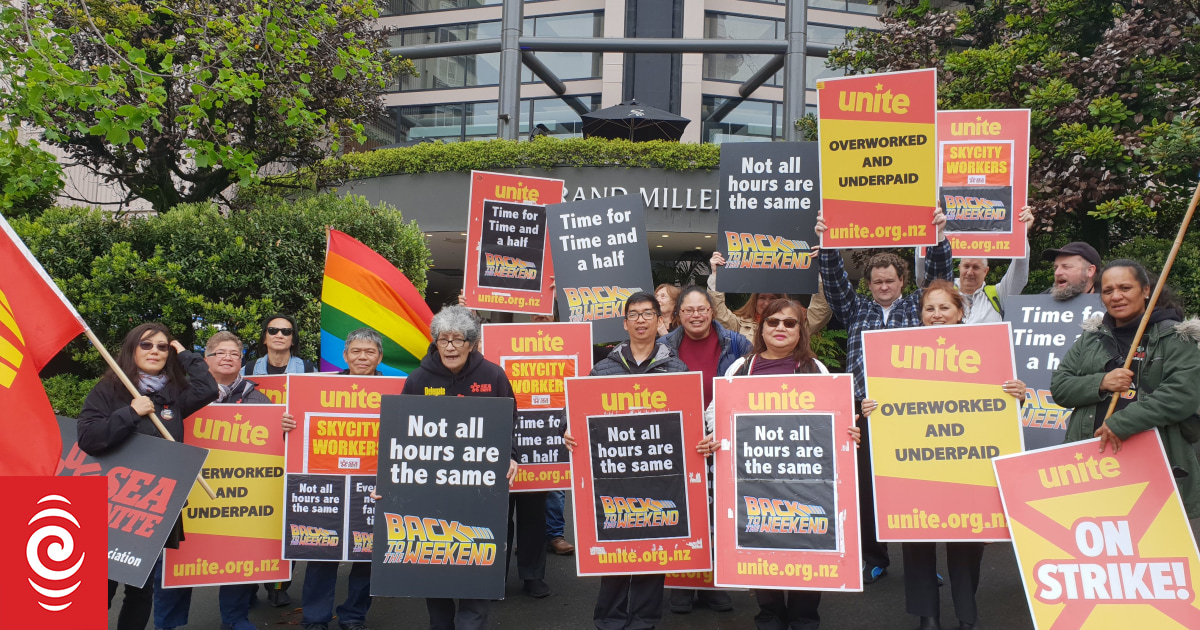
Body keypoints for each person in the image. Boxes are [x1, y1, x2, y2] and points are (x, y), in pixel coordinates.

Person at [860, 281, 1025, 630]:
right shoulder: (896, 352)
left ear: (960, 311)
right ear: (920, 314)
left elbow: (999, 410)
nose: (936, 315)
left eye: (944, 308)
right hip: (916, 466)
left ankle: (967, 616)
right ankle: (928, 617)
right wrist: (871, 406)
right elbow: (892, 407)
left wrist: (1017, 394)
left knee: (967, 545)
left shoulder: (987, 349)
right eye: (929, 309)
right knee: (916, 544)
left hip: (968, 468)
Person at [701, 298, 860, 630]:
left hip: (806, 481)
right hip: (753, 479)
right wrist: (715, 436)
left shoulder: (815, 370)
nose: (781, 329)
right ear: (762, 327)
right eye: (773, 322)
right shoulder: (741, 368)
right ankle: (769, 613)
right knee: (762, 546)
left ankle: (804, 616)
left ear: (801, 330)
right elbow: (716, 413)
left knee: (808, 547)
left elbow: (832, 420)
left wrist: (848, 435)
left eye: (790, 323)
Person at [815, 205, 951, 585]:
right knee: (867, 489)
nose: (883, 287)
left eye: (889, 281)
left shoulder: (918, 308)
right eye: (877, 282)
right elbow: (834, 279)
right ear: (869, 283)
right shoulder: (856, 308)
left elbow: (941, 279)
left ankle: (923, 563)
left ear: (902, 280)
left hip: (912, 413)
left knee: (914, 489)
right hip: (864, 411)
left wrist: (939, 237)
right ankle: (874, 558)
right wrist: (826, 242)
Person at [561, 292, 704, 630]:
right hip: (614, 478)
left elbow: (690, 420)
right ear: (625, 323)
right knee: (615, 551)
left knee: (653, 553)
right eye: (634, 315)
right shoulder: (604, 368)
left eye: (648, 314)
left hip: (660, 476)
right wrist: (569, 429)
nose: (641, 320)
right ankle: (608, 619)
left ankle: (643, 620)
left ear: (660, 321)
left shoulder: (676, 368)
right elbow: (576, 413)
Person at [76, 323, 219, 630]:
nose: (155, 351)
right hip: (114, 507)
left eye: (162, 346)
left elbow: (208, 388)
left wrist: (183, 352)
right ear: (132, 350)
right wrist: (130, 412)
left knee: (141, 590)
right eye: (147, 345)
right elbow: (88, 439)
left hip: (156, 507)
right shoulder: (109, 389)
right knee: (102, 587)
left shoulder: (175, 394)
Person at [398, 306, 525, 627]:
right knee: (436, 571)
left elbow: (510, 420)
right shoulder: (418, 379)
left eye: (458, 340)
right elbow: (401, 432)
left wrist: (511, 455)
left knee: (476, 572)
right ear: (435, 343)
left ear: (472, 343)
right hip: (431, 495)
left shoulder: (493, 375)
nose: (451, 347)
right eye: (444, 340)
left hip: (481, 492)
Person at [1051, 259, 1200, 518]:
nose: (1116, 296)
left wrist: (1121, 422)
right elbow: (1060, 387)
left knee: (1152, 548)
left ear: (1145, 290)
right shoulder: (1092, 336)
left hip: (1153, 465)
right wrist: (1101, 382)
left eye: (1125, 288)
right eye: (1108, 291)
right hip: (1089, 464)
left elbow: (1181, 394)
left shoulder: (1176, 336)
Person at [151, 331, 273, 630]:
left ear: (242, 361)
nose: (228, 357)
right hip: (186, 492)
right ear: (205, 359)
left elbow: (274, 447)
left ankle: (235, 619)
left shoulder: (258, 399)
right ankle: (168, 624)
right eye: (220, 352)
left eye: (234, 353)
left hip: (236, 497)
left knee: (237, 555)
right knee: (175, 560)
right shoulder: (178, 393)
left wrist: (282, 424)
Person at [659, 285, 749, 614]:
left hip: (721, 439)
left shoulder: (737, 343)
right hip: (678, 437)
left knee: (717, 515)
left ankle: (712, 583)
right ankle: (683, 583)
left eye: (702, 309)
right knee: (682, 511)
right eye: (688, 310)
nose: (696, 315)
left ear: (711, 311)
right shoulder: (664, 346)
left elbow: (751, 389)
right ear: (678, 315)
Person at [294, 328, 386, 630]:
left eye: (369, 352)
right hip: (327, 483)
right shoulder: (321, 386)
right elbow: (300, 426)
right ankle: (315, 618)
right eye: (356, 351)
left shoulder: (396, 389)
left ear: (379, 357)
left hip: (374, 486)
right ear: (345, 356)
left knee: (368, 556)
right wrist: (286, 421)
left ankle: (354, 616)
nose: (362, 357)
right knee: (321, 553)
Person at [242, 313, 313, 605]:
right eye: (273, 330)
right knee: (252, 522)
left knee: (287, 521)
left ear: (293, 338)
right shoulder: (247, 369)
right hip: (254, 454)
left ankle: (278, 587)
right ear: (264, 337)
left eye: (286, 330)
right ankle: (245, 584)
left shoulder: (307, 368)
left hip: (292, 453)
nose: (279, 334)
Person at [916, 206, 1035, 322]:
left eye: (976, 267)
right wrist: (926, 229)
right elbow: (923, 277)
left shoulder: (997, 295)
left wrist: (1021, 235)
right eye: (966, 266)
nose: (969, 272)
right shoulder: (946, 291)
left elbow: (1019, 276)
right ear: (959, 268)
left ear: (986, 271)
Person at [707, 252, 832, 342]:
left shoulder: (793, 324)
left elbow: (820, 311)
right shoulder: (739, 324)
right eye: (762, 298)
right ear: (754, 301)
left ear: (781, 301)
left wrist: (821, 271)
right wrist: (717, 275)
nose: (767, 303)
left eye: (772, 298)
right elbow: (718, 313)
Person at [243, 313, 318, 375]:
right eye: (273, 331)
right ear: (264, 339)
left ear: (293, 340)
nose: (279, 336)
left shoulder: (307, 371)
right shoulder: (249, 370)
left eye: (286, 331)